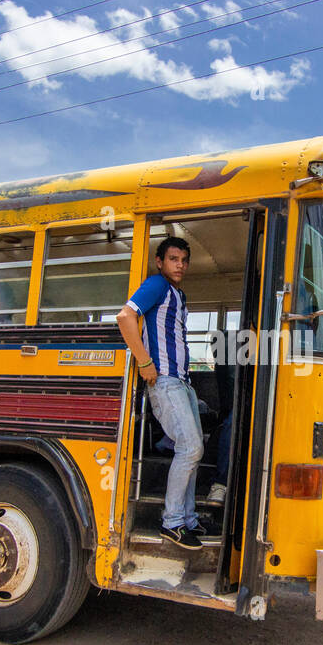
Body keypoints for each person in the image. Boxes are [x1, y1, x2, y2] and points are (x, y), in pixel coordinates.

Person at [116, 236, 217, 550]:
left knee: (193, 449)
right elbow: (125, 316)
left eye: (184, 260)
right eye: (174, 259)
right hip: (166, 381)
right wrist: (144, 362)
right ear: (160, 262)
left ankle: (187, 518)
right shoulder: (157, 284)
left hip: (183, 383)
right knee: (190, 448)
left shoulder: (178, 295)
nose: (180, 265)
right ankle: (171, 523)